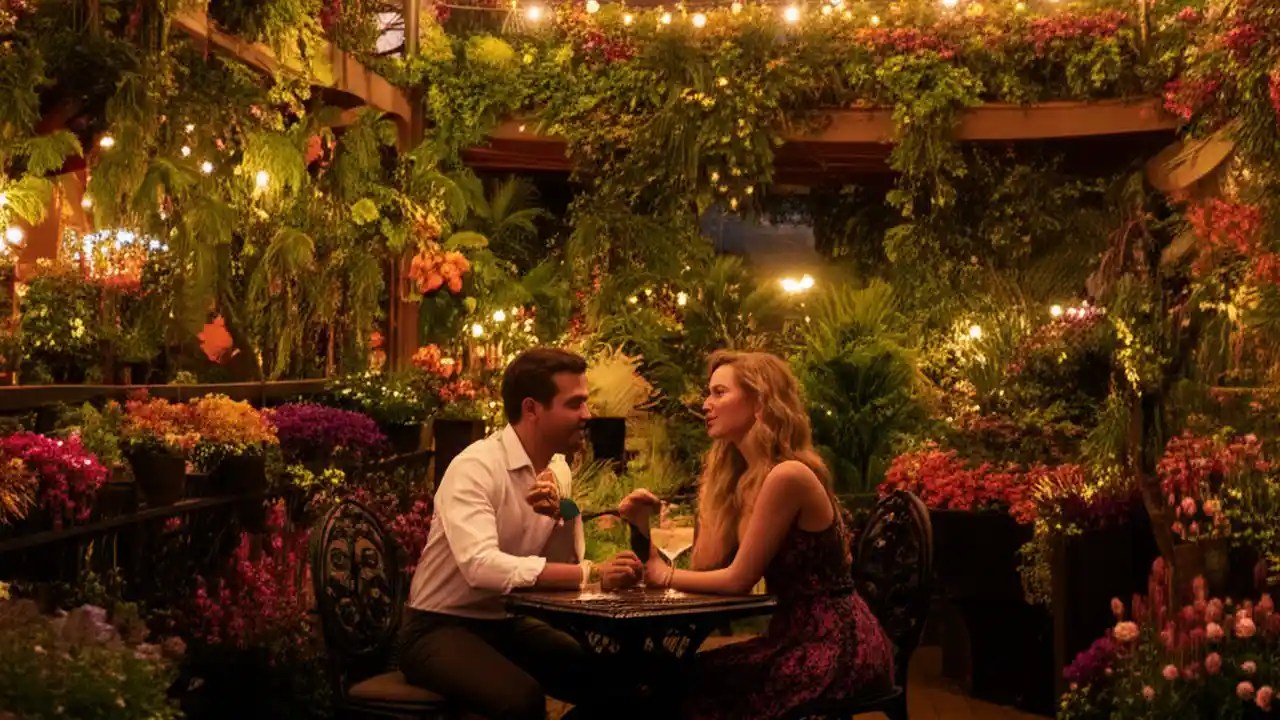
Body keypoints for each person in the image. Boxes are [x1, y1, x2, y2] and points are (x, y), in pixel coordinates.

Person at [619, 350, 895, 720]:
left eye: (719, 393)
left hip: (838, 645)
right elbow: (707, 566)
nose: (705, 404)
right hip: (792, 638)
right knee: (668, 680)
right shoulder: (741, 477)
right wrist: (643, 525)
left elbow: (738, 581)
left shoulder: (788, 476)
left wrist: (663, 575)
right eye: (708, 393)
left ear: (760, 402)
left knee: (682, 689)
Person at [399, 348, 645, 720]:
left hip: (503, 622)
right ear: (532, 409)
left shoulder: (558, 468)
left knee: (615, 681)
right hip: (437, 628)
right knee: (521, 699)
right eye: (575, 404)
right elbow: (481, 567)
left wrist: (564, 512)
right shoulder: (475, 468)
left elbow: (564, 562)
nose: (587, 415)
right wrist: (593, 575)